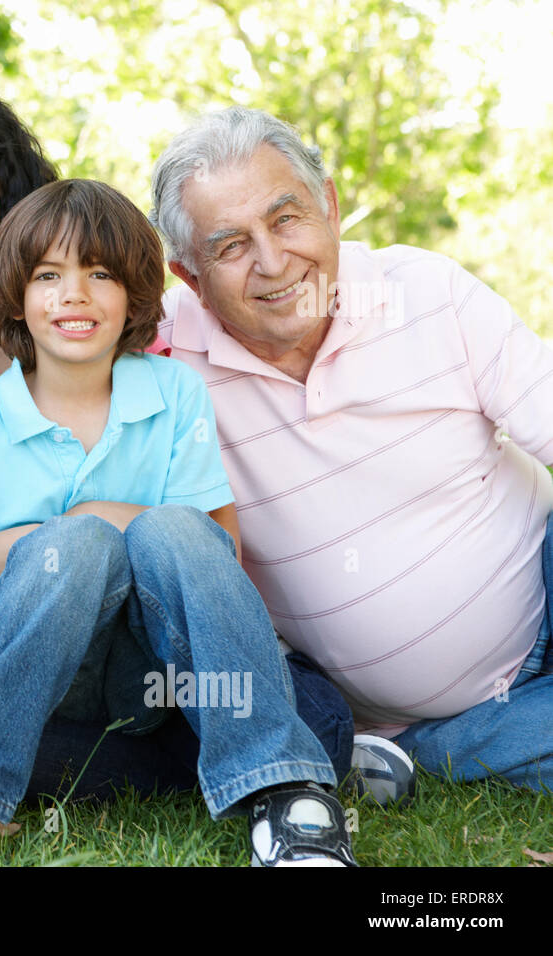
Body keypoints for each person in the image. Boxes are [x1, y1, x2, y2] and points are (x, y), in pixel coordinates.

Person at [0, 71, 353, 805]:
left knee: (314, 715)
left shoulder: (143, 367)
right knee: (296, 725)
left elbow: (202, 543)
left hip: (155, 655)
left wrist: (82, 523)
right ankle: (215, 764)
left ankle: (235, 759)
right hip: (30, 656)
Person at [150, 106, 553, 791]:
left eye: (286, 219)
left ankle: (439, 752)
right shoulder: (160, 361)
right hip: (369, 701)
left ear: (330, 205)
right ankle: (456, 743)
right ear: (190, 277)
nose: (274, 261)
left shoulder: (427, 291)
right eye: (231, 245)